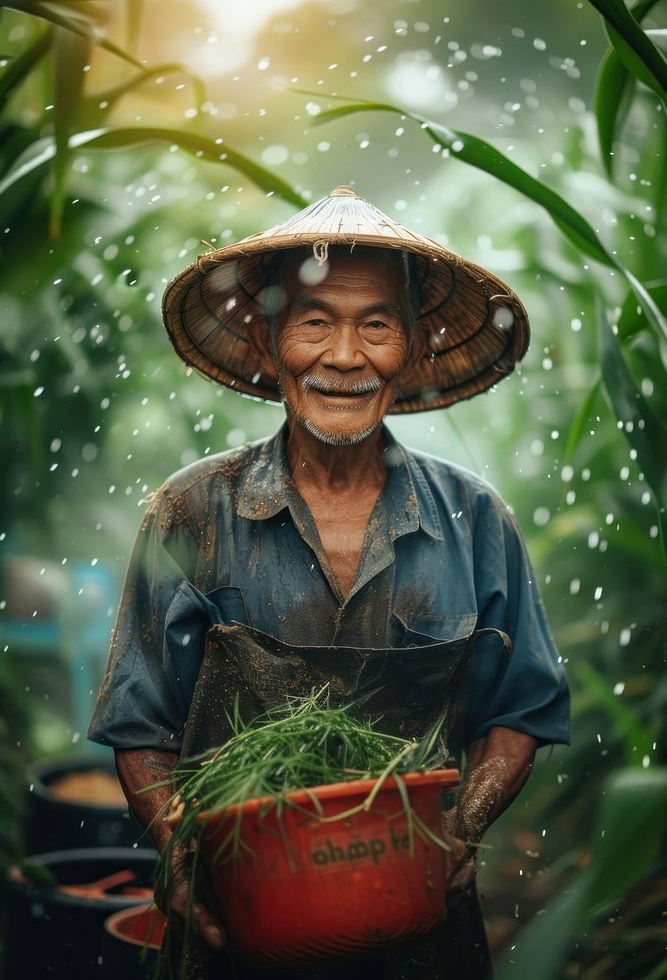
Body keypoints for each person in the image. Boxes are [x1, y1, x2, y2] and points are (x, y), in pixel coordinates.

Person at [88, 185, 569, 979]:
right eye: (314, 322)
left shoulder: (474, 519)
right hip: (239, 922)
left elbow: (518, 710)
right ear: (268, 338)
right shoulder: (192, 510)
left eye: (376, 325)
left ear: (413, 350)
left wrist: (459, 829)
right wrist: (181, 848)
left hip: (419, 927)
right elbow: (143, 729)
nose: (344, 357)